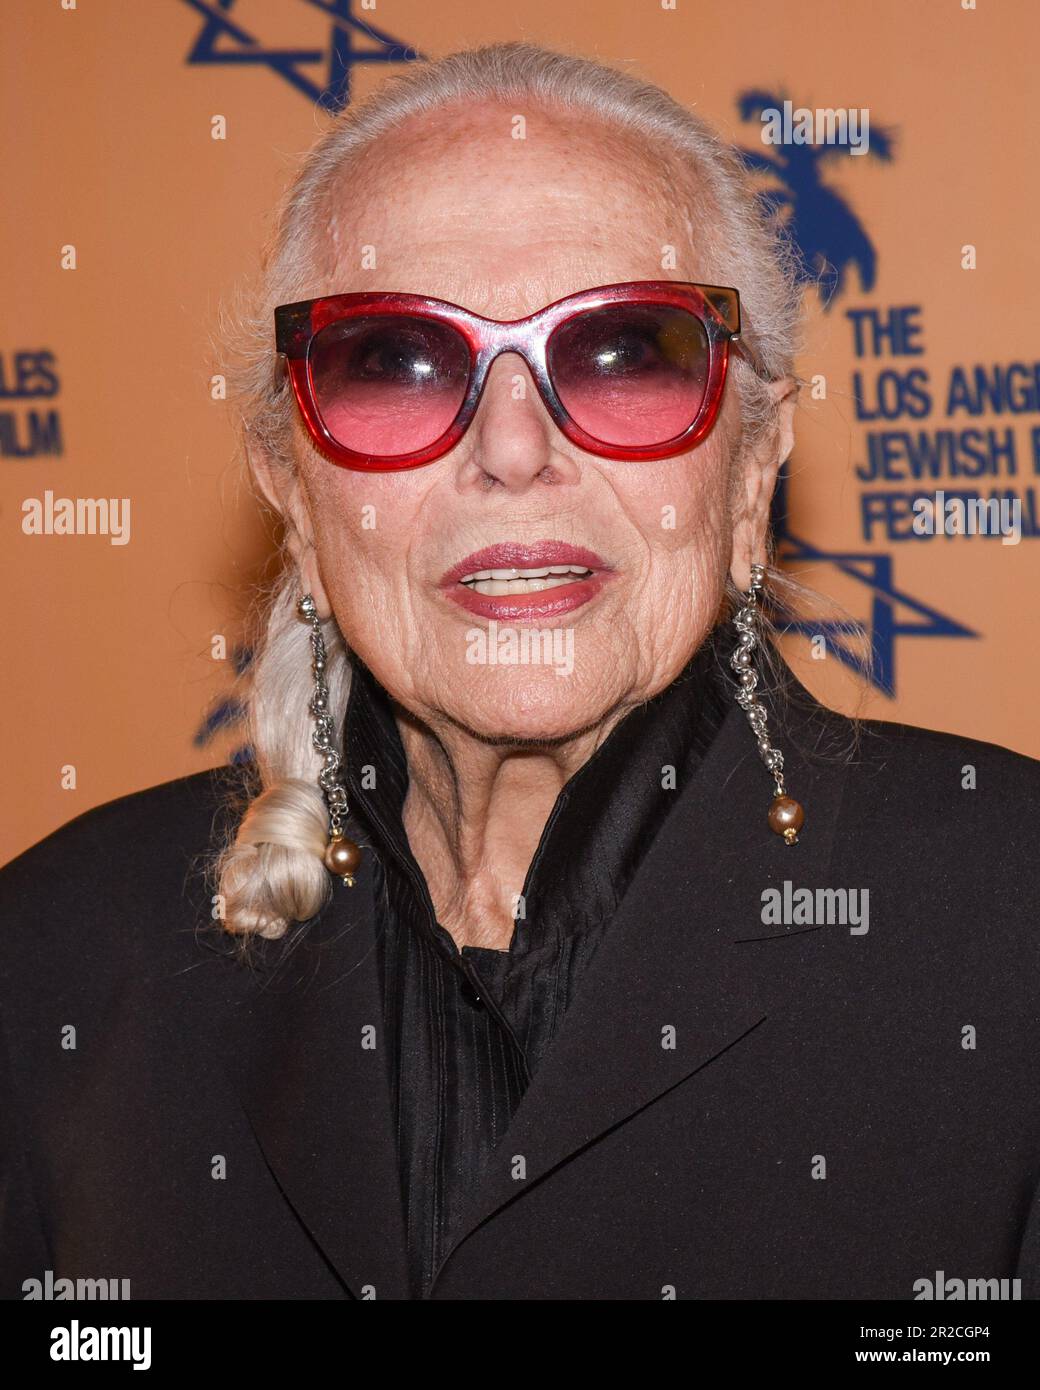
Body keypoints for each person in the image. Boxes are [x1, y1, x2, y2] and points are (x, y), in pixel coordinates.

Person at [2, 41, 1038, 1302]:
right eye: (393, 360)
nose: (510, 447)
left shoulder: (1010, 920)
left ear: (752, 473)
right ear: (294, 491)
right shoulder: (58, 954)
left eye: (623, 352)